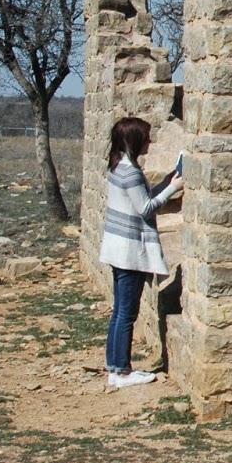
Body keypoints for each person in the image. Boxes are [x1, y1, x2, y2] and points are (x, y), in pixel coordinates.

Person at [99, 116, 183, 388]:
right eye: (146, 138)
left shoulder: (118, 167)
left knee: (119, 311)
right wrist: (173, 188)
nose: (150, 142)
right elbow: (146, 208)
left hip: (117, 247)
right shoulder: (131, 173)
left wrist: (167, 181)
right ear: (135, 141)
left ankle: (114, 367)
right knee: (127, 313)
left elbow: (143, 198)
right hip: (130, 250)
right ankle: (123, 371)